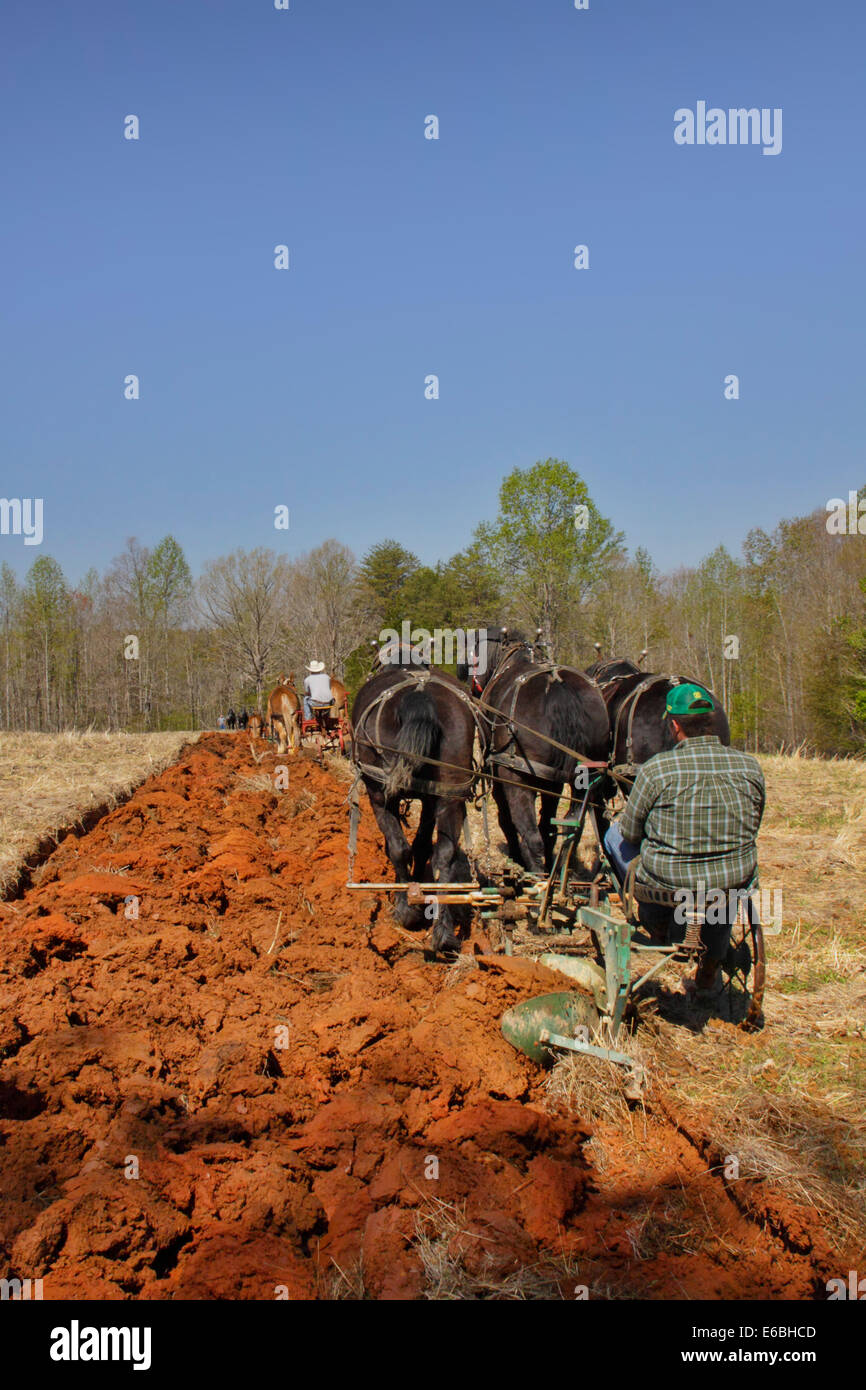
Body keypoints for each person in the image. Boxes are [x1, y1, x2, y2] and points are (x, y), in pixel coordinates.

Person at [603, 683, 765, 992]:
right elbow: (754, 826)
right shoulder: (750, 766)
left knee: (612, 835)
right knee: (726, 872)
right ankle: (712, 961)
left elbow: (631, 832)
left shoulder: (656, 770)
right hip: (730, 880)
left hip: (667, 884)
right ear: (710, 721)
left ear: (674, 724)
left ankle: (657, 920)